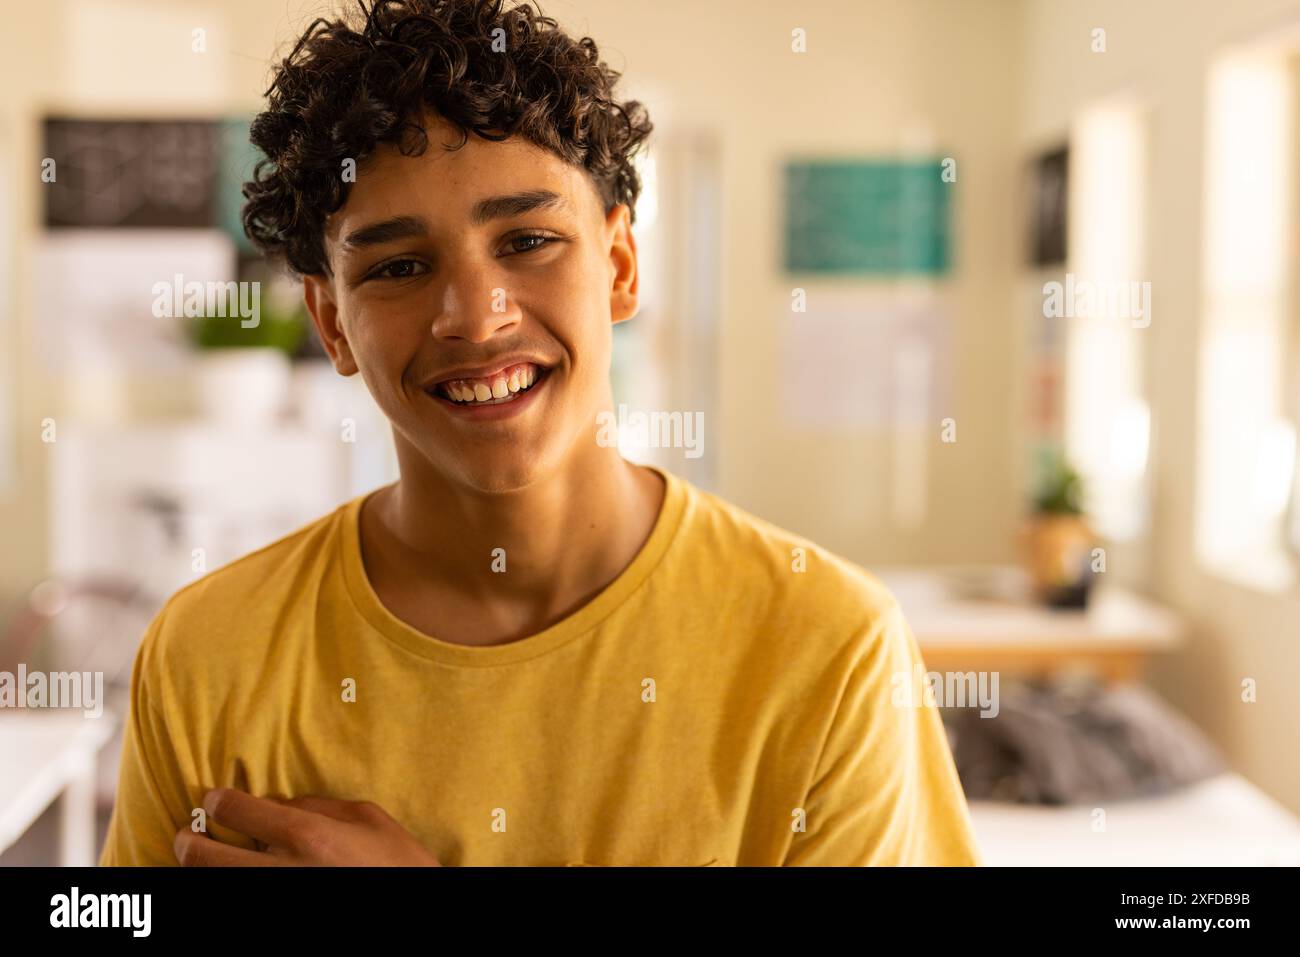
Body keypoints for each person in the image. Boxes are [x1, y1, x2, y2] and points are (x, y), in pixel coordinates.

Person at [100, 0, 980, 867]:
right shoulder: (209, 653)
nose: (475, 320)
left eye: (526, 240)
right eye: (400, 266)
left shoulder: (828, 648)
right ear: (332, 324)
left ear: (621, 266)